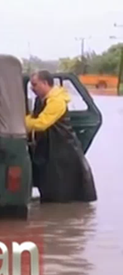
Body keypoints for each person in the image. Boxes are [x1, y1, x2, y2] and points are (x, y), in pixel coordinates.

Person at [26, 70, 97, 203]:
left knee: (64, 190)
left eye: (34, 85)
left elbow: (42, 123)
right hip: (49, 147)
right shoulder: (40, 100)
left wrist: (21, 124)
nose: (32, 88)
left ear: (45, 83)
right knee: (49, 187)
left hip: (63, 149)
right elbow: (34, 118)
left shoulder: (56, 101)